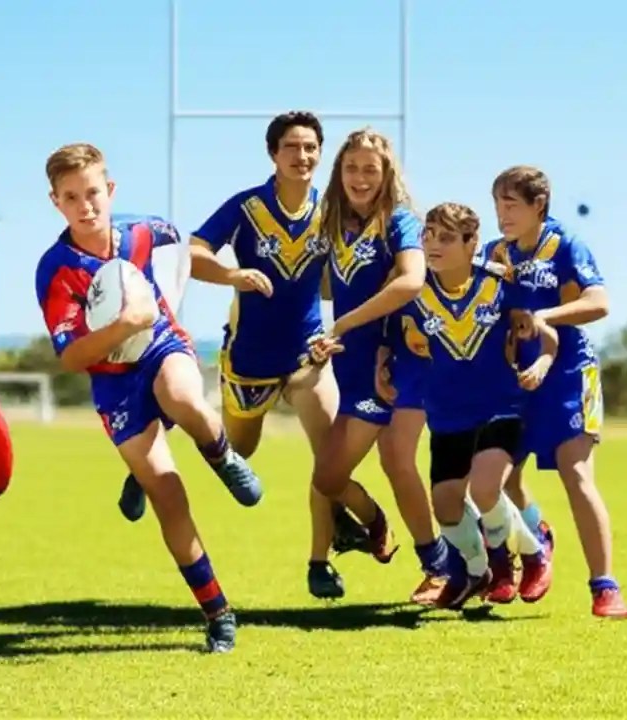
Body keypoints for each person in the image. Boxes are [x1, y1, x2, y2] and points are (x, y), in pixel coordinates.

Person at [35, 142, 262, 653]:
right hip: (114, 382)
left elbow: (189, 252)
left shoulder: (146, 231)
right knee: (168, 494)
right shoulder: (54, 269)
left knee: (181, 392)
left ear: (109, 190)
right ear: (56, 202)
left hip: (162, 344)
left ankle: (223, 457)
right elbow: (70, 357)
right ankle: (218, 612)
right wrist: (122, 325)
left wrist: (227, 275)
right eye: (71, 197)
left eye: (93, 192)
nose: (85, 205)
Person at [182, 111, 396, 600]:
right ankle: (148, 464)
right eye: (291, 148)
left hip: (309, 356)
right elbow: (191, 253)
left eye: (311, 148)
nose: (302, 157)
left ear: (322, 154)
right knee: (239, 453)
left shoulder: (334, 210)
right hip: (247, 363)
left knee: (328, 465)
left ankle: (326, 557)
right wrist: (232, 276)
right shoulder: (246, 207)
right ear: (273, 154)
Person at [307, 128, 452, 606]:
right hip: (351, 366)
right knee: (327, 480)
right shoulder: (331, 223)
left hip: (398, 362)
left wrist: (345, 321)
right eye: (352, 168)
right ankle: (374, 521)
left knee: (396, 459)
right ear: (339, 173)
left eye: (371, 169)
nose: (360, 177)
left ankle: (439, 566)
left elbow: (412, 280)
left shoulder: (401, 222)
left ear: (387, 173)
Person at [483, 166, 627, 619]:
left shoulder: (565, 244)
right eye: (498, 204)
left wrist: (545, 315)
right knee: (501, 477)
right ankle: (536, 536)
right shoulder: (496, 254)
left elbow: (600, 302)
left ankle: (605, 587)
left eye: (512, 205)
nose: (503, 214)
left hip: (569, 375)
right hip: (515, 380)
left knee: (577, 474)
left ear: (538, 206)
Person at [391, 202, 554, 610]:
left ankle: (525, 558)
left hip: (501, 406)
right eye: (428, 235)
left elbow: (541, 327)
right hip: (446, 413)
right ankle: (477, 569)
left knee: (485, 487)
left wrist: (541, 361)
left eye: (446, 237)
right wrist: (382, 361)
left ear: (471, 244)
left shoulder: (500, 286)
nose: (433, 244)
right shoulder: (412, 290)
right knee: (445, 506)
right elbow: (396, 340)